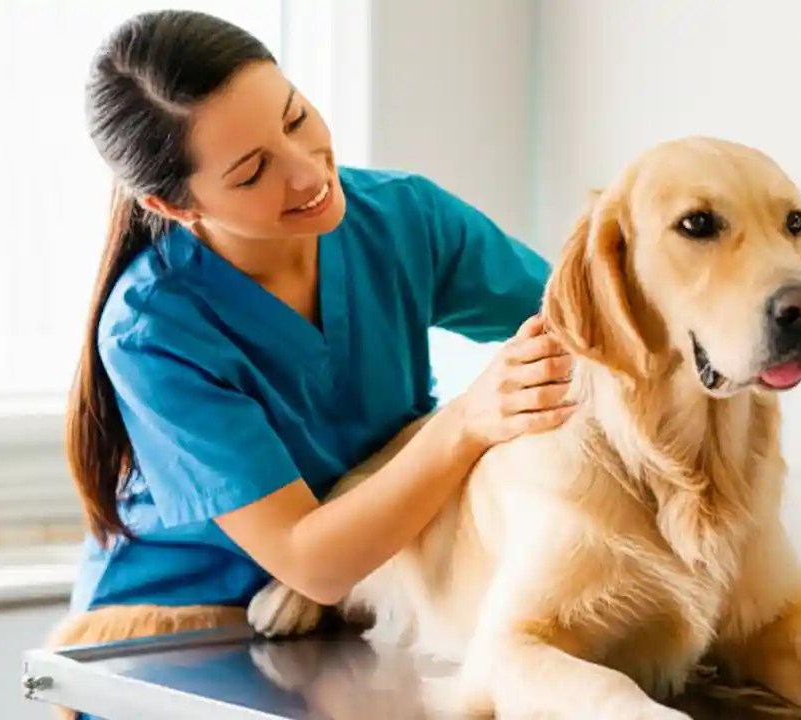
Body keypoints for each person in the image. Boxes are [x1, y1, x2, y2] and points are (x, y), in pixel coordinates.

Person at [65, 8, 575, 621]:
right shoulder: (154, 332)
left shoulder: (402, 219)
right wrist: (468, 420)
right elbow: (312, 562)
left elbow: (586, 319)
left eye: (295, 118)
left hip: (340, 612)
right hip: (175, 626)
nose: (308, 171)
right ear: (172, 206)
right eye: (253, 172)